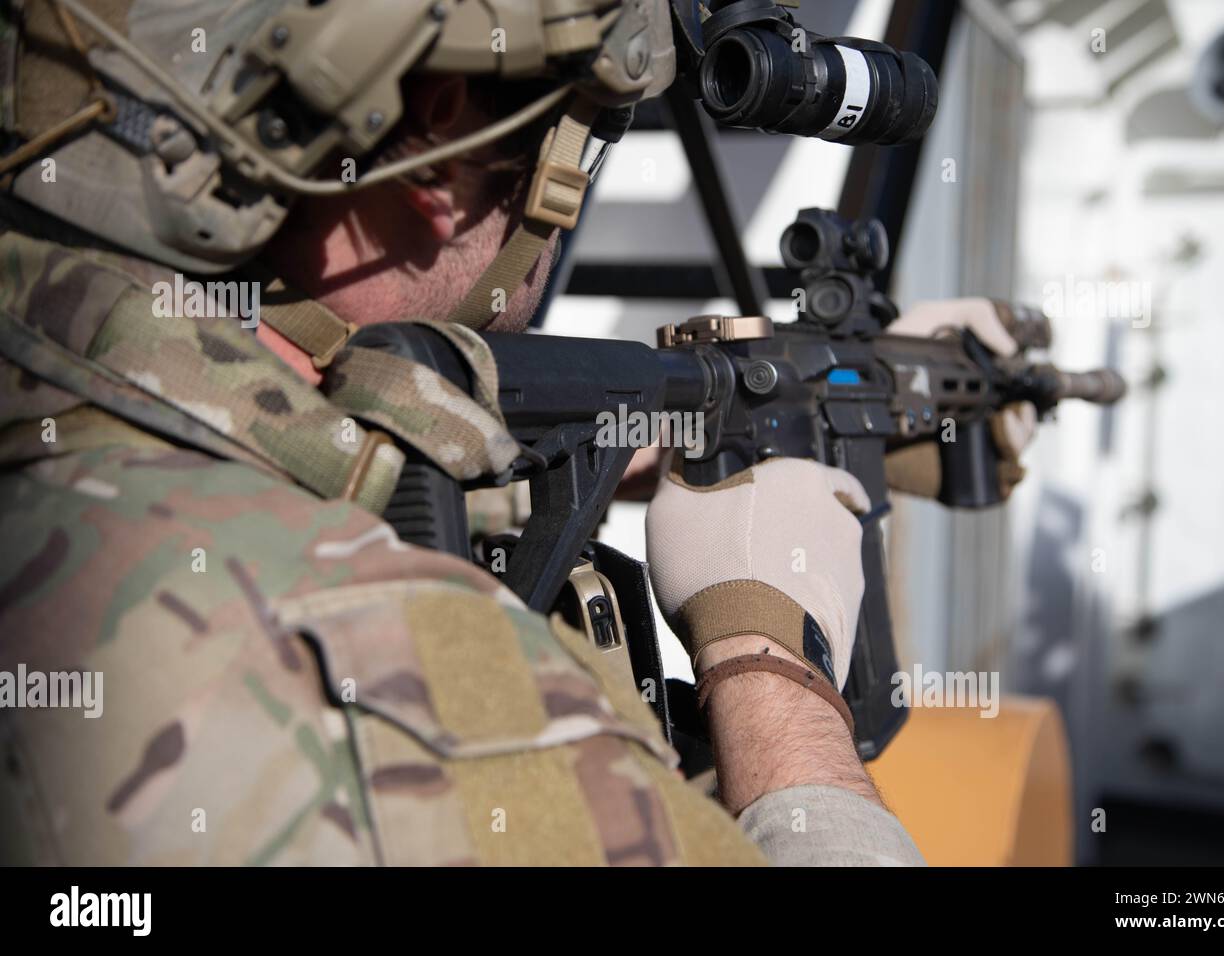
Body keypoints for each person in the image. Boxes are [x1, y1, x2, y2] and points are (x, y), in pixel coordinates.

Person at [0, 0, 1037, 866]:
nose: (570, 192)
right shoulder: (410, 684)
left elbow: (303, 426)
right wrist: (766, 660)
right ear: (436, 162)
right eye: (586, 138)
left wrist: (767, 409)